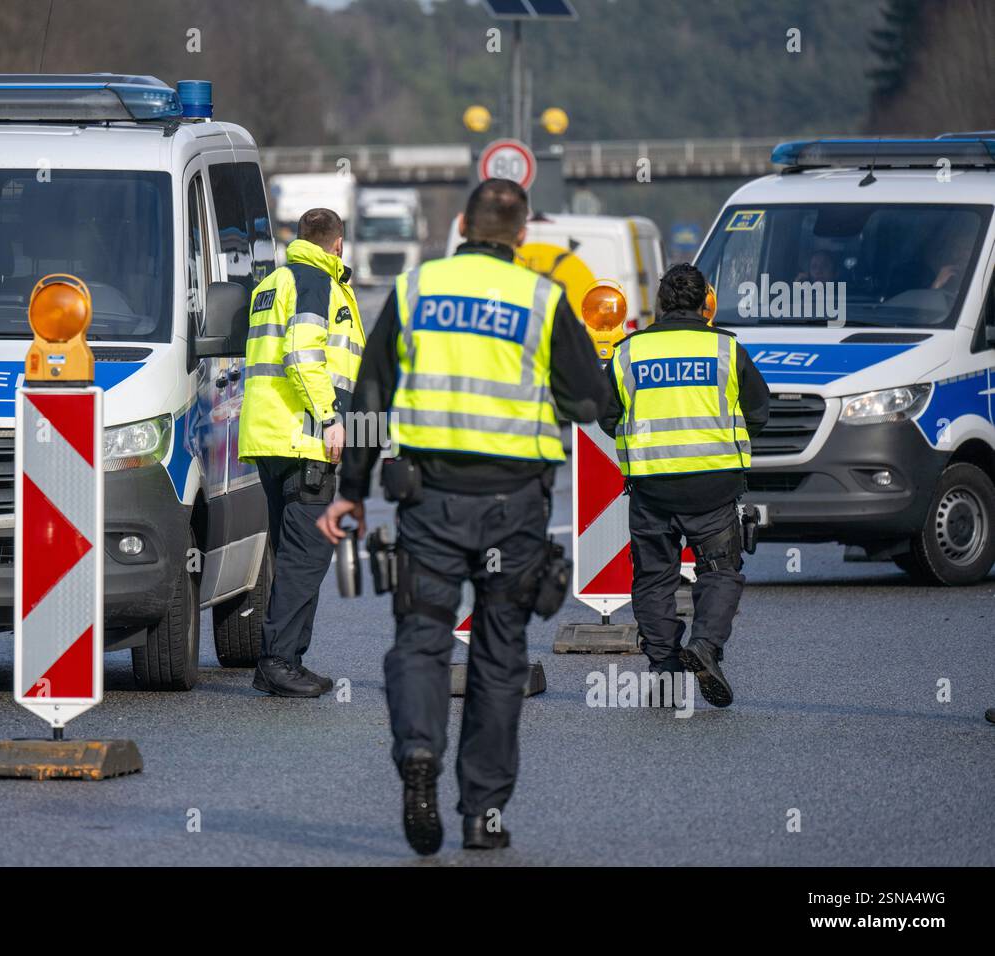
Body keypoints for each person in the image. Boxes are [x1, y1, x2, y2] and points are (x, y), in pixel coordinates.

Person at [319, 180, 609, 855]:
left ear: (459, 224)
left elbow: (370, 389)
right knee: (500, 656)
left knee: (421, 638)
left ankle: (419, 753)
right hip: (515, 508)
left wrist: (353, 490)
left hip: (429, 501)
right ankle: (484, 814)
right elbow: (591, 400)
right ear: (524, 233)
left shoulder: (417, 289)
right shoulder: (543, 298)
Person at [598, 263, 769, 708]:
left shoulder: (628, 352)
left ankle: (666, 670)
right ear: (705, 304)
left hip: (652, 488)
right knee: (720, 571)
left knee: (654, 578)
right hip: (713, 486)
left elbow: (604, 413)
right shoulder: (726, 350)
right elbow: (759, 412)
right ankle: (705, 647)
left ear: (660, 304)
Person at [238, 208, 365, 698]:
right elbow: (303, 353)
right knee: (306, 557)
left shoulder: (274, 282)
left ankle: (283, 660)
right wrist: (331, 419)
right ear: (337, 244)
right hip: (304, 437)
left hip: (271, 437)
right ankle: (279, 662)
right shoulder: (315, 282)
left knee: (292, 554)